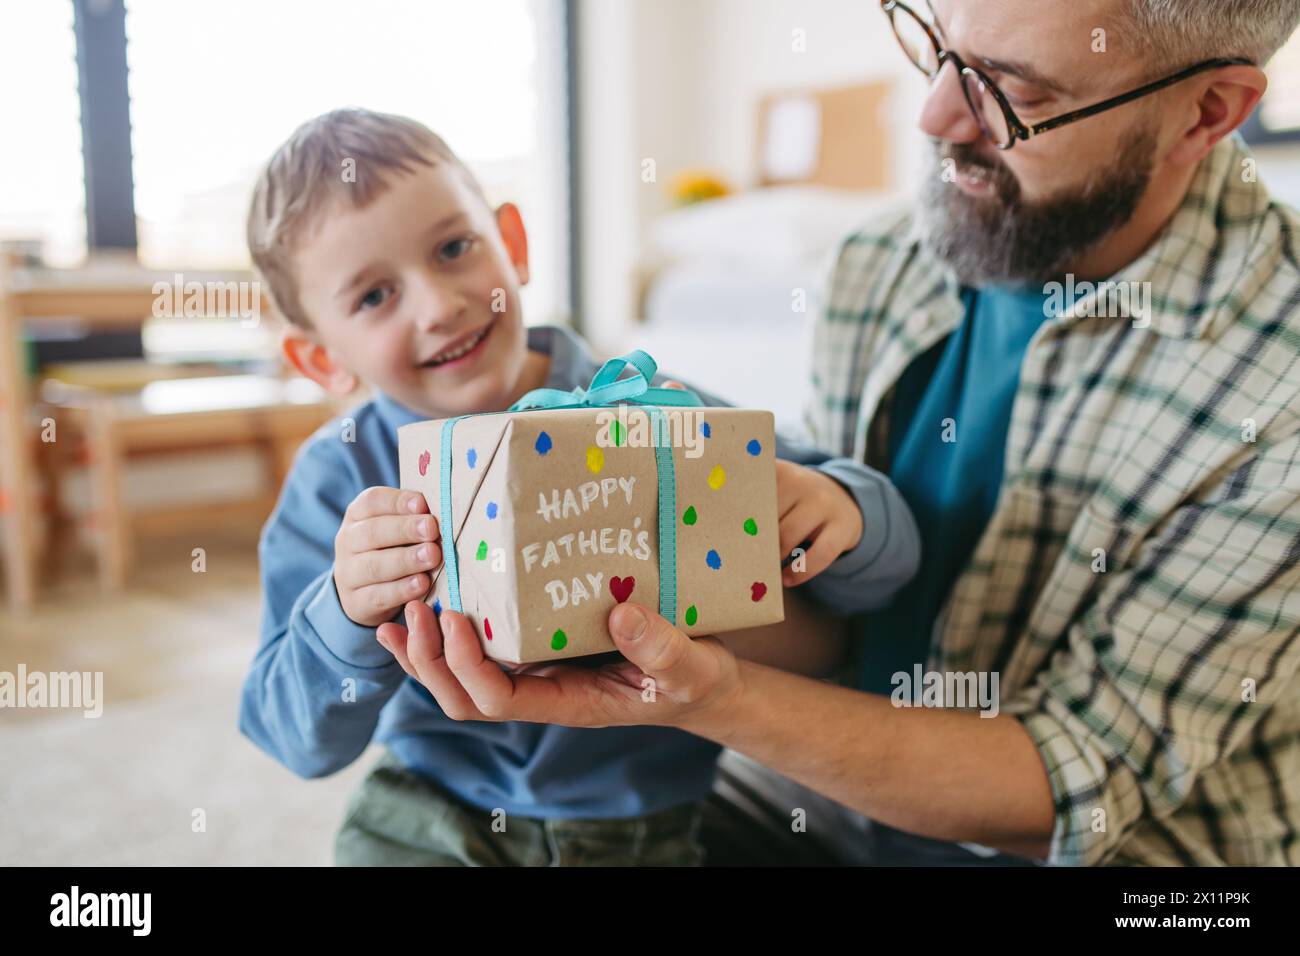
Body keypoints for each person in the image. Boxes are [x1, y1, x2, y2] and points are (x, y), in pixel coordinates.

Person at [400, 0, 1300, 866]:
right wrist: (618, 597)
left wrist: (713, 700)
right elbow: (840, 629)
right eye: (938, 46)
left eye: (1016, 94)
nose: (936, 114)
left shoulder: (1279, 384)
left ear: (1208, 113)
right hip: (821, 804)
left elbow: (1073, 790)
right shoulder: (882, 260)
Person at [236, 108, 921, 866]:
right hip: (429, 813)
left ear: (514, 245)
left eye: (455, 248)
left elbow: (889, 581)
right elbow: (291, 738)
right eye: (373, 297)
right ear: (322, 359)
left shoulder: (653, 408)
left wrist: (845, 509)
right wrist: (343, 611)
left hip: (646, 825)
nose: (439, 306)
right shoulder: (338, 480)